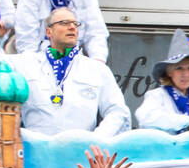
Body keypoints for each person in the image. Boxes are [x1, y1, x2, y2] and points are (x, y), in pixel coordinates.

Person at [12, 7, 129, 137]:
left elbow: (118, 111)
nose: (72, 27)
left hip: (81, 152)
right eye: (64, 23)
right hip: (37, 151)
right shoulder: (26, 63)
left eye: (75, 24)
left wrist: (97, 139)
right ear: (48, 31)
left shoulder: (97, 69)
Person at [136, 29, 189, 132]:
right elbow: (146, 118)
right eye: (179, 68)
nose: (185, 74)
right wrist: (188, 121)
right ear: (169, 72)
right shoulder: (157, 95)